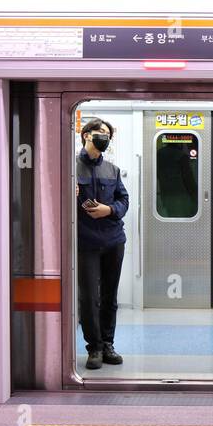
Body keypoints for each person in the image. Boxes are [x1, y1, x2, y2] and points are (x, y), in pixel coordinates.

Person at [76, 118, 129, 369]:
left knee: (109, 297)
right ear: (86, 135)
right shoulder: (71, 168)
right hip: (86, 241)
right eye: (100, 132)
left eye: (108, 134)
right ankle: (94, 347)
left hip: (113, 240)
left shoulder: (112, 169)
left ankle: (108, 344)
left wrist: (110, 209)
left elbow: (123, 200)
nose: (104, 137)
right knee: (89, 298)